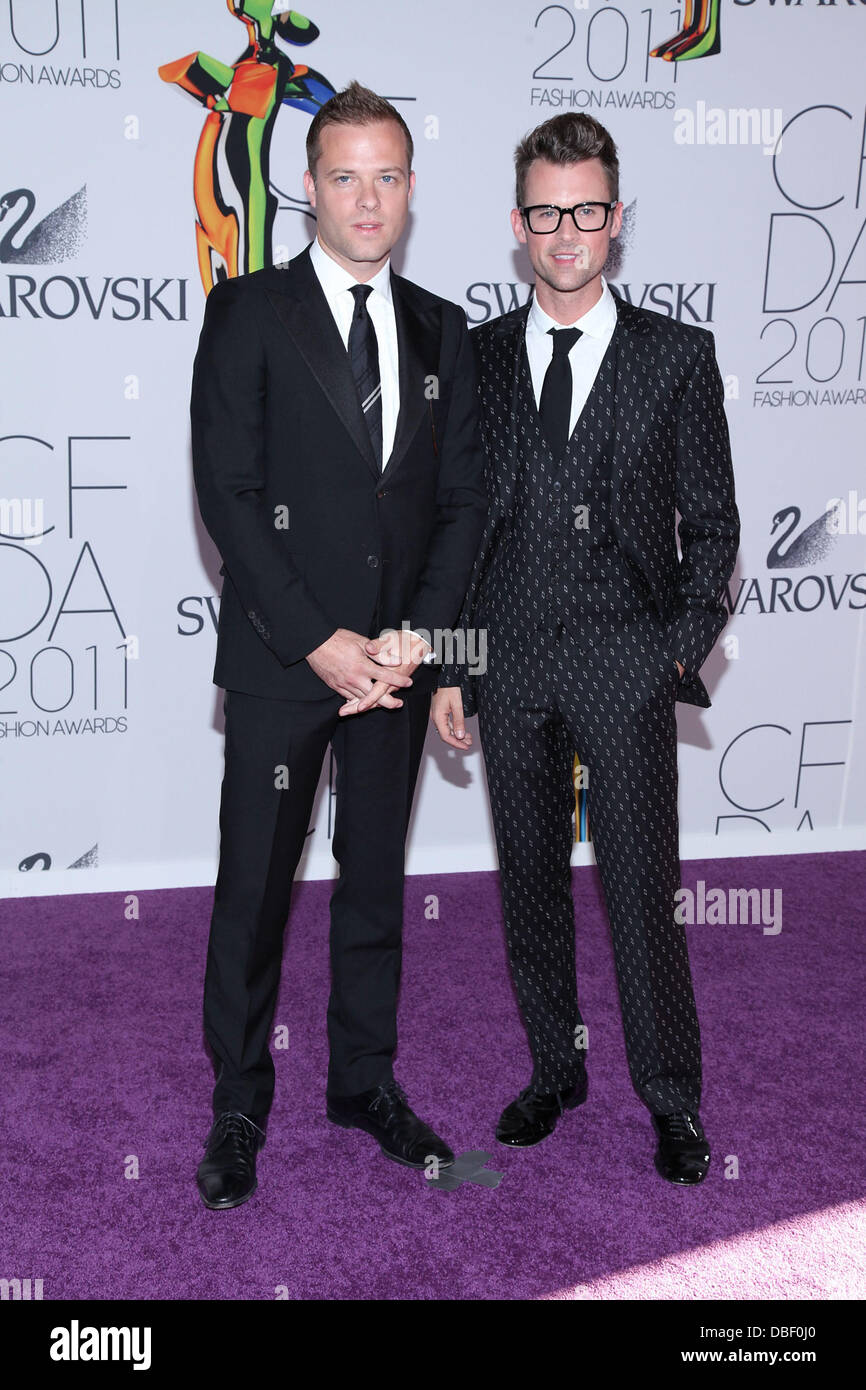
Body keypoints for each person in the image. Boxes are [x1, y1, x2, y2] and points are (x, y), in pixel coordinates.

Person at [190, 82, 486, 1209]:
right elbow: (228, 490)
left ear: (411, 189)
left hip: (397, 667)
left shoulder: (443, 330)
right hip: (285, 657)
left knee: (373, 883)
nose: (368, 198)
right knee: (254, 887)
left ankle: (363, 1082)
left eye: (389, 175)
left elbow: (460, 500)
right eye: (345, 176)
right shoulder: (249, 313)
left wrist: (416, 634)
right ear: (307, 187)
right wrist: (317, 639)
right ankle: (236, 1100)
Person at [433, 112, 739, 1185]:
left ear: (617, 219)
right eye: (548, 211)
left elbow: (712, 530)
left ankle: (670, 1097)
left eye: (589, 210)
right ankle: (553, 1072)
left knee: (640, 892)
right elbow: (455, 533)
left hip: (625, 667)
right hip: (507, 663)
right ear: (516, 225)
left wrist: (670, 658)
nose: (568, 231)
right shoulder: (470, 361)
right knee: (528, 885)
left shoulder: (674, 358)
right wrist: (456, 666)